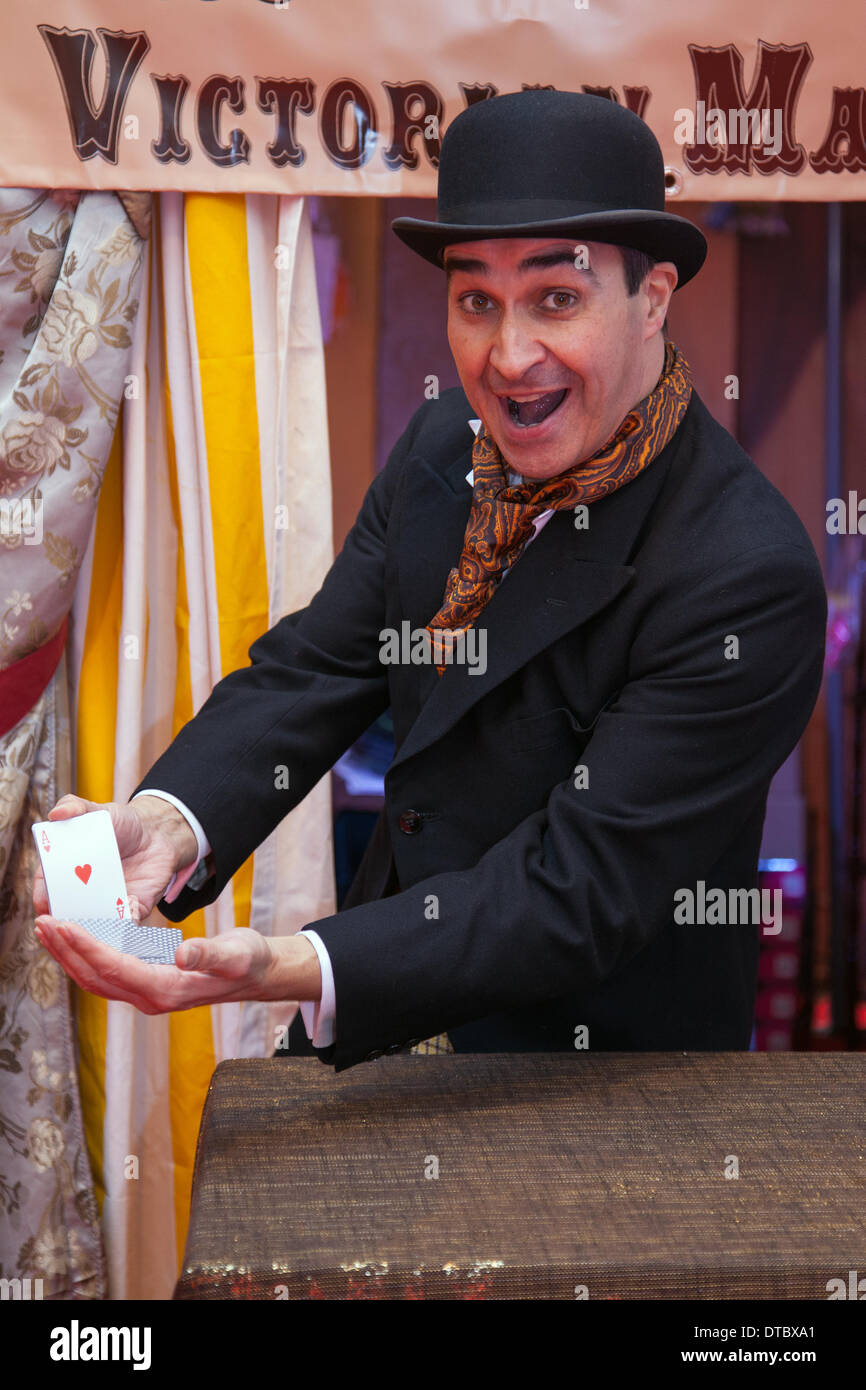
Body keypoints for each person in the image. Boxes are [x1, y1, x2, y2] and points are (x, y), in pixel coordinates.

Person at [32, 90, 826, 1071]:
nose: (507, 355)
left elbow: (577, 886)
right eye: (474, 300)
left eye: (556, 298)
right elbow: (311, 672)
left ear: (651, 296)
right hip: (383, 1026)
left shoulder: (743, 571)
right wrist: (168, 821)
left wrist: (293, 961)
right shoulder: (441, 448)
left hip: (594, 1088)